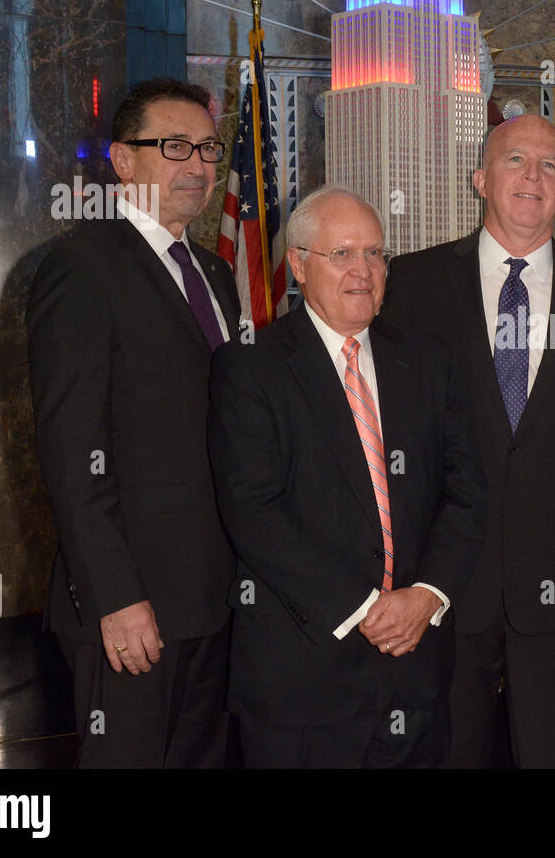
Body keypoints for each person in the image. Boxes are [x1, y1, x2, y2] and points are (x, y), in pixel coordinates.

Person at [381, 114, 555, 768]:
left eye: (550, 166)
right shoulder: (412, 286)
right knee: (448, 751)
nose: (534, 176)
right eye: (515, 161)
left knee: (554, 751)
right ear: (480, 179)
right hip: (442, 581)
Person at [207, 185, 485, 767]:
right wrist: (364, 611)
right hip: (304, 681)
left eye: (376, 254)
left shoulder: (430, 360)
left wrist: (427, 596)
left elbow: (468, 491)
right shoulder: (252, 365)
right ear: (300, 266)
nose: (365, 270)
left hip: (419, 667)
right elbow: (254, 510)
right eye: (343, 254)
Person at [27, 77, 240, 767]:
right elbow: (70, 449)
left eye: (207, 147)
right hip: (132, 609)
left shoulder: (214, 272)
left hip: (215, 602)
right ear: (123, 162)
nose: (199, 165)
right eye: (174, 146)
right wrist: (116, 596)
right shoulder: (83, 269)